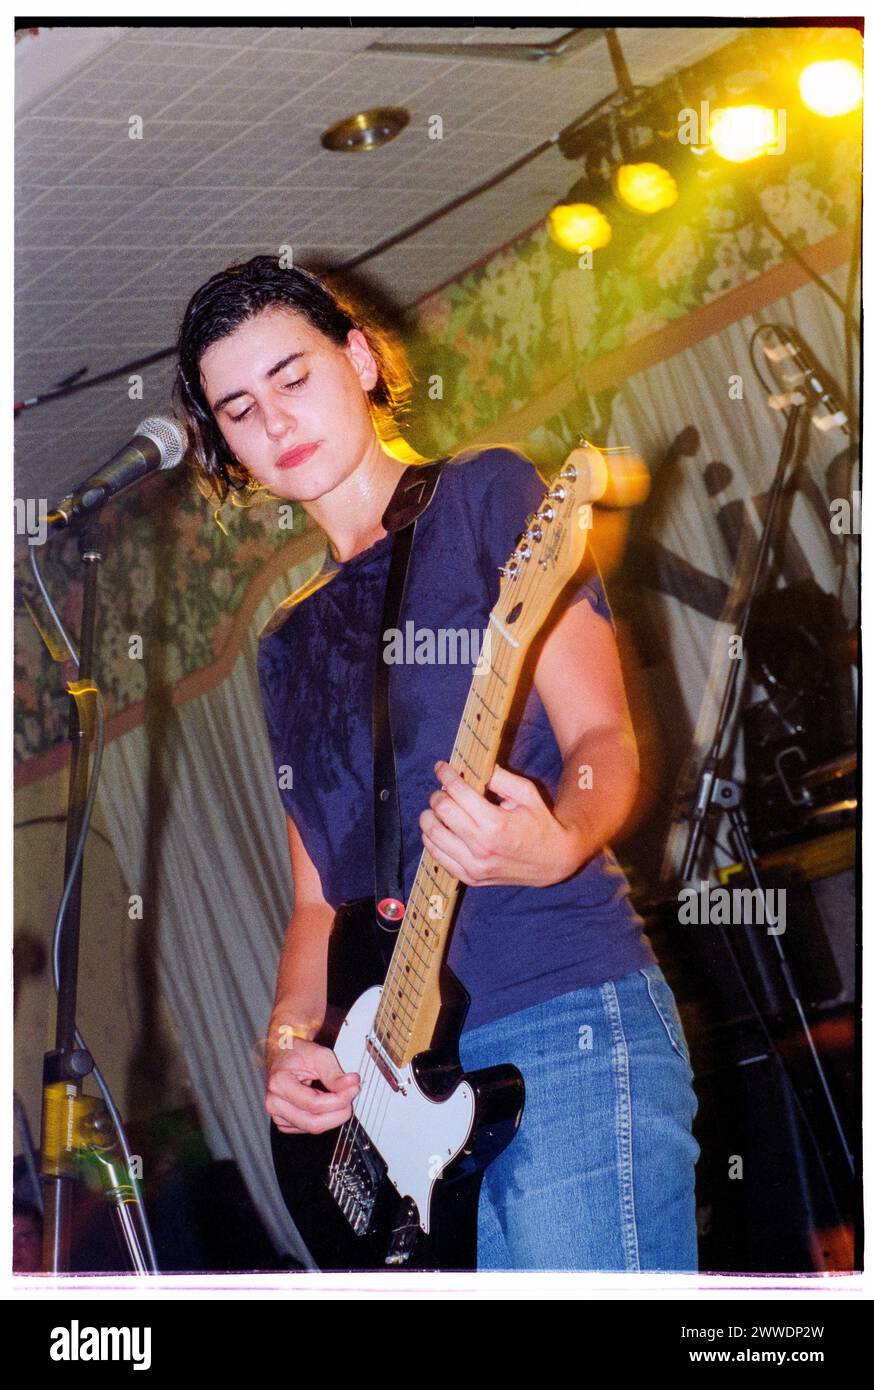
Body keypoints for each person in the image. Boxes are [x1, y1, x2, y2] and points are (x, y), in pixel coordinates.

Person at [173, 254, 700, 1272]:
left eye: (293, 377)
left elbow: (604, 743)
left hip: (560, 1019)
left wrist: (557, 839)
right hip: (394, 1096)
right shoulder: (285, 643)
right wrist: (290, 1041)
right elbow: (319, 901)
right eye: (238, 408)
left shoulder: (484, 496)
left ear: (361, 359)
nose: (274, 420)